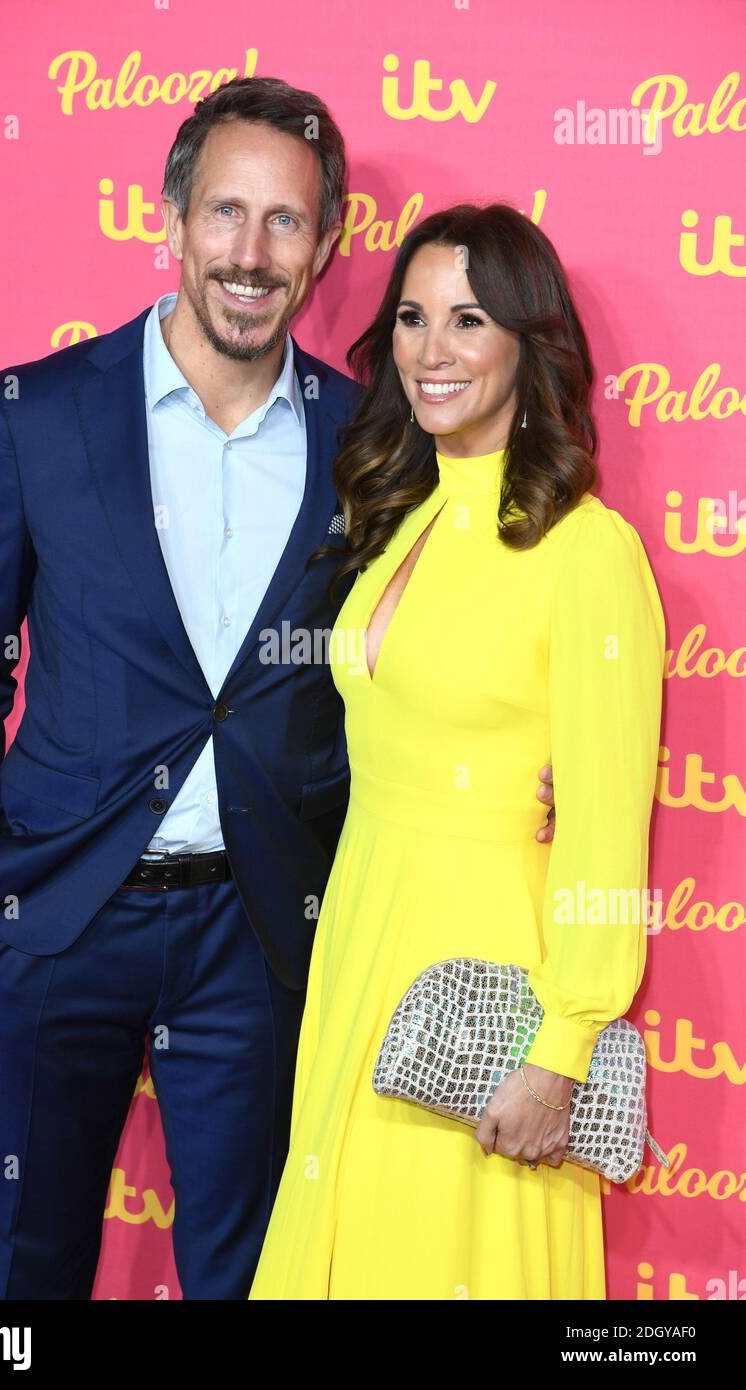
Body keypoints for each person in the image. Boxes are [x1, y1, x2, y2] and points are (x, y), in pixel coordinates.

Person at [0, 79, 555, 1301]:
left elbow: (425, 625)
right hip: (56, 916)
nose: (250, 254)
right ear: (170, 219)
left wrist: (528, 748)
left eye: (284, 222)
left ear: (322, 246)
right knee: (25, 1274)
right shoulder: (34, 414)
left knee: (248, 1275)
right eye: (225, 213)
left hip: (261, 933)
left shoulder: (368, 436)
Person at [249, 203, 666, 1300]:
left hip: (487, 976)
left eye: (468, 319)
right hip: (363, 935)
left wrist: (561, 1046)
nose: (430, 352)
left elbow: (607, 822)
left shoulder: (584, 550)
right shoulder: (395, 515)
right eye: (411, 317)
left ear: (530, 344)